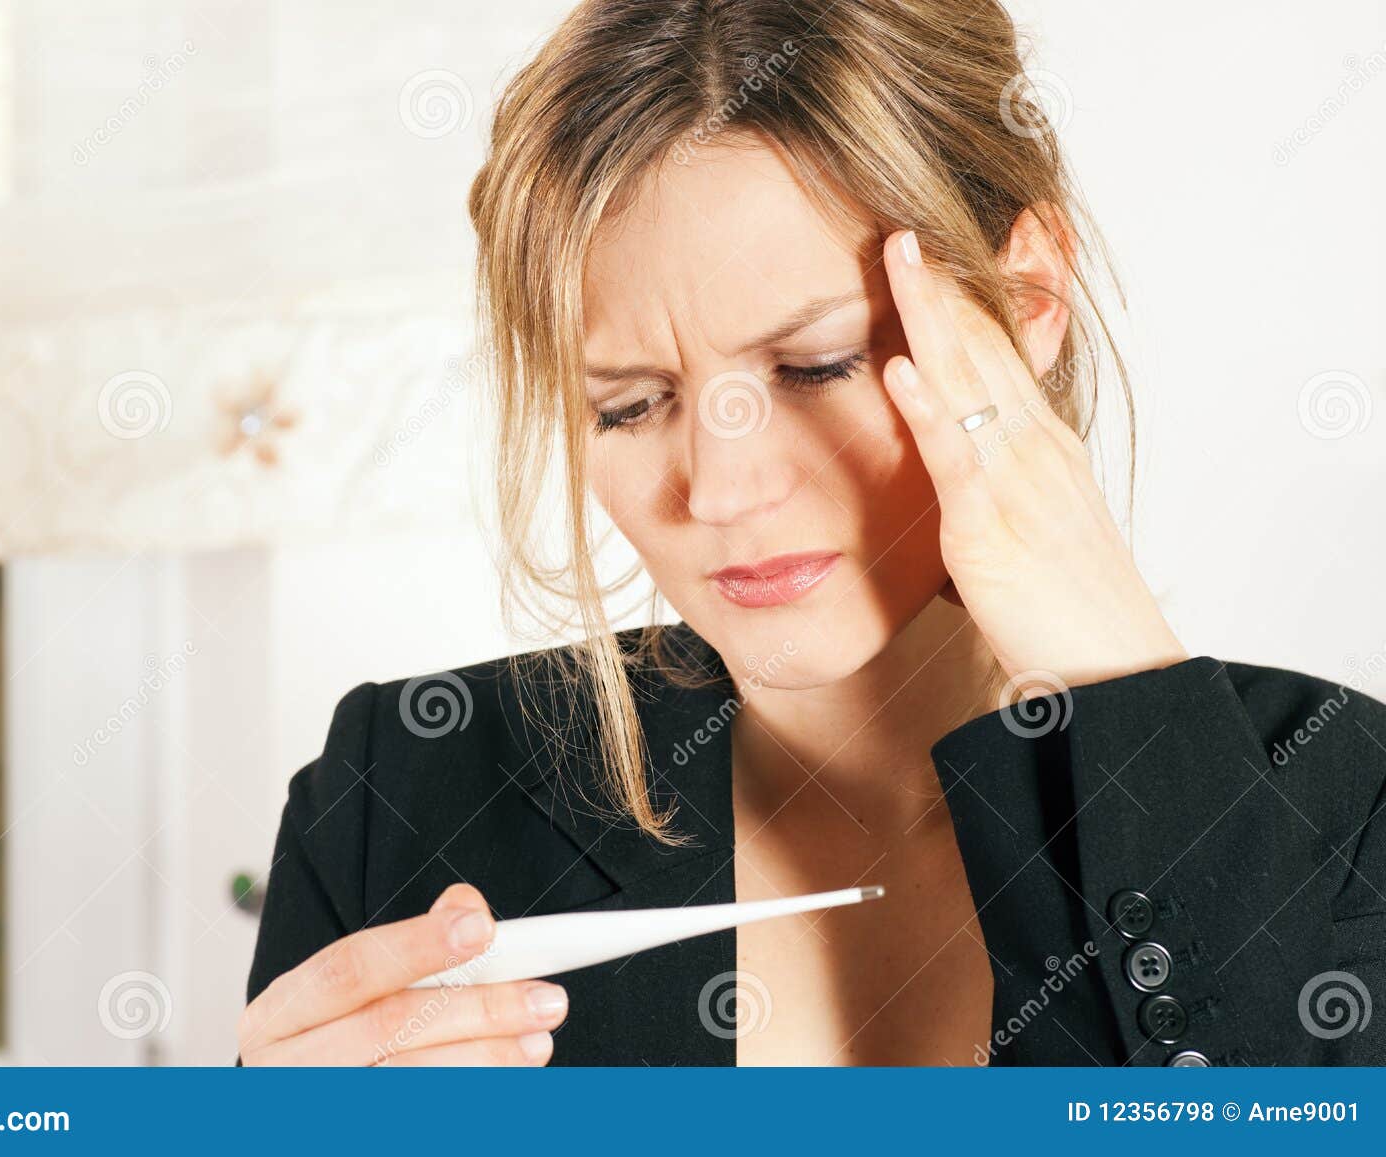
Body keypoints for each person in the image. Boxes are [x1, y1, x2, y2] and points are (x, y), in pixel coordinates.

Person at [237, 0, 1386, 1065]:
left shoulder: (1341, 801)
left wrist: (1120, 689)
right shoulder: (400, 793)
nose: (721, 489)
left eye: (814, 365)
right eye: (629, 403)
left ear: (1025, 301)